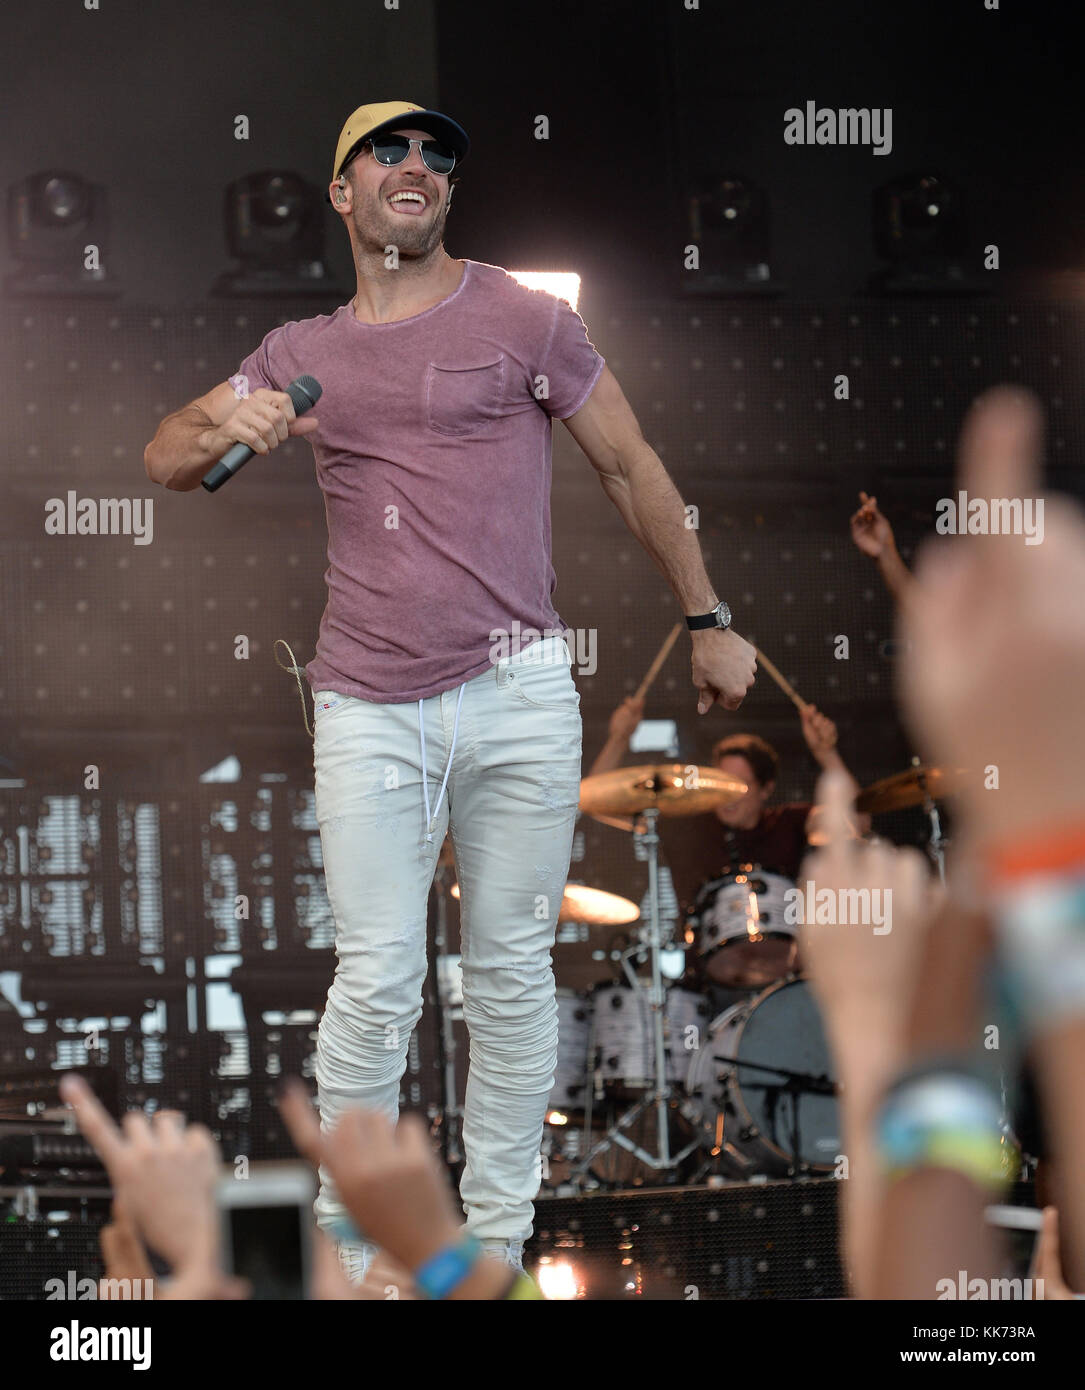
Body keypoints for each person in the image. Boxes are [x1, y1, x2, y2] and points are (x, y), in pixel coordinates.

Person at [142, 99, 757, 1282]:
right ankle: (342, 1242)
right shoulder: (296, 349)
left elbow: (629, 463)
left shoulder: (526, 316)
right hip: (369, 700)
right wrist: (237, 414)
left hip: (517, 686)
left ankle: (491, 1242)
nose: (416, 165)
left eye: (437, 155)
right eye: (389, 150)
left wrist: (708, 616)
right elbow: (166, 455)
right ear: (343, 193)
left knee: (512, 970)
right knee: (377, 972)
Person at [589, 697, 864, 919]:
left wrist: (825, 753)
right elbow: (598, 803)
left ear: (766, 788)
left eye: (741, 785)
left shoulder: (790, 822)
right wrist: (619, 738)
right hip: (702, 979)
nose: (729, 797)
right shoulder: (689, 826)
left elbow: (858, 821)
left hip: (785, 969)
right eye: (723, 785)